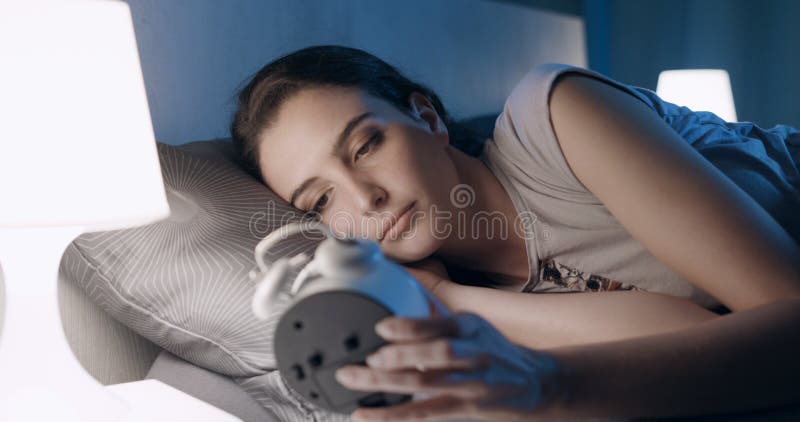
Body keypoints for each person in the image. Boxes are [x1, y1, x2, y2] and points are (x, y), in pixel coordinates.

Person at [230, 45, 800, 420]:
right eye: (321, 199)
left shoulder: (555, 114)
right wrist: (447, 297)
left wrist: (551, 384)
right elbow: (704, 337)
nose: (364, 198)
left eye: (366, 145)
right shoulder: (467, 301)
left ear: (427, 119)